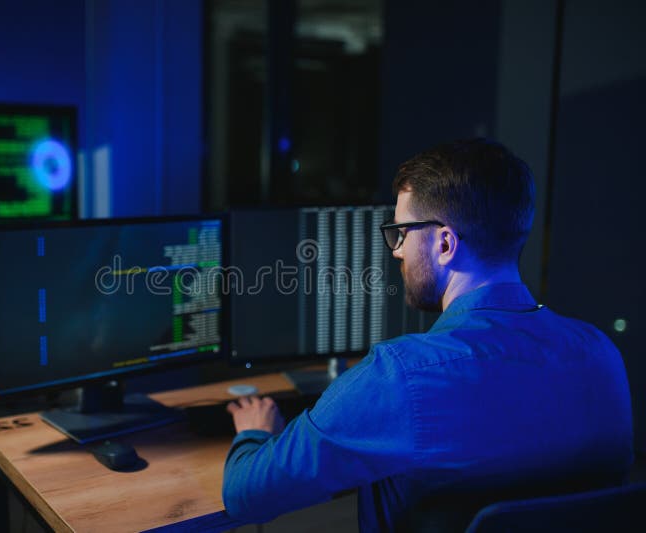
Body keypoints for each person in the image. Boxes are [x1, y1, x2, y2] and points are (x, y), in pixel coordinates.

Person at [222, 138, 633, 531]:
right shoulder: (602, 356)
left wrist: (255, 431)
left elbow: (246, 495)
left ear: (445, 243)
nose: (397, 250)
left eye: (401, 233)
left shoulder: (402, 376)